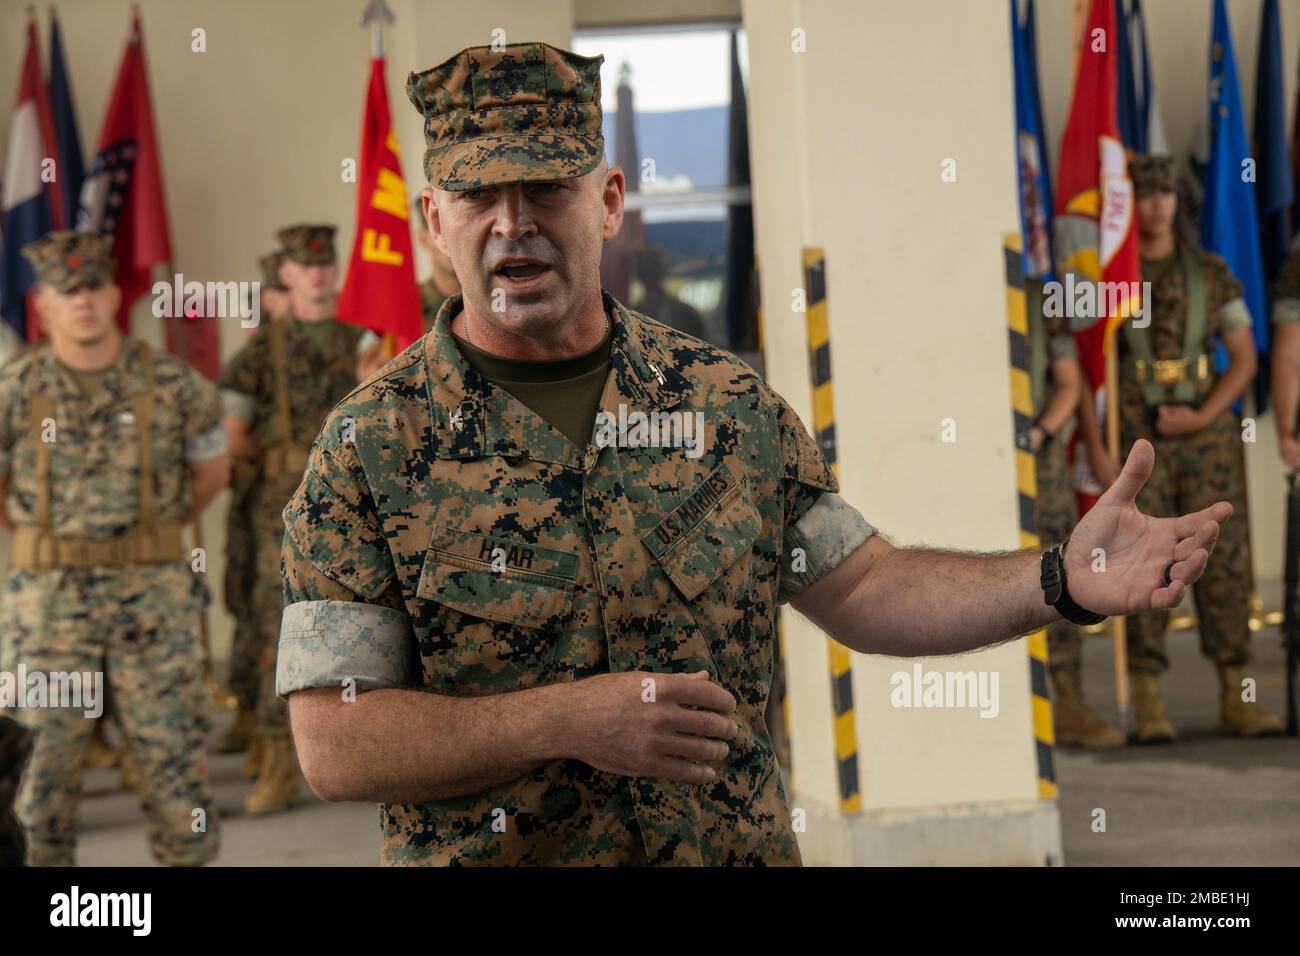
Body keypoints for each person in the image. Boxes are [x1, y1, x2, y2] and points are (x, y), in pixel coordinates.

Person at [276, 43, 1232, 865]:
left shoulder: (722, 403)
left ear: (608, 201)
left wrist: (1062, 576)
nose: (513, 222)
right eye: (479, 193)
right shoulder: (369, 447)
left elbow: (868, 587)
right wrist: (565, 719)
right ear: (435, 222)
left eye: (547, 188)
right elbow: (335, 741)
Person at [0, 231, 227, 865]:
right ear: (43, 301)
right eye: (66, 290)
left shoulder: (173, 384)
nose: (83, 301)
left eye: (94, 286)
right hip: (48, 611)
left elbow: (211, 474)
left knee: (174, 761)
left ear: (114, 293)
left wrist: (153, 533)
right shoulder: (14, 389)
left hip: (152, 600)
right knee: (41, 774)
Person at [1084, 155, 1283, 742]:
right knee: (1139, 558)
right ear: (1130, 204)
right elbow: (1093, 371)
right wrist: (1098, 448)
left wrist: (1202, 414)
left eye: (1167, 195)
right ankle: (1146, 700)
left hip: (1208, 443)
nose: (1157, 206)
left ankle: (1237, 691)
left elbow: (1244, 357)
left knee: (1221, 560)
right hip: (1137, 444)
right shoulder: (1110, 283)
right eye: (1145, 195)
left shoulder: (1210, 271)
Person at [219, 224, 364, 814]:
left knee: (355, 620)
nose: (319, 275)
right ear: (287, 274)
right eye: (306, 267)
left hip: (353, 505)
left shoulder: (366, 338)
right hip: (278, 508)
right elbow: (234, 437)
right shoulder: (263, 350)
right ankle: (274, 754)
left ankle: (363, 748)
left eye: (326, 265)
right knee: (273, 622)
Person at [1024, 281, 1122, 748]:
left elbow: (1069, 381)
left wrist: (1039, 432)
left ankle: (1067, 702)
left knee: (1056, 577)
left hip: (1037, 467)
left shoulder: (1035, 297)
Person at [217, 250, 290, 767]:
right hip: (259, 496)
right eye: (279, 293)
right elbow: (232, 437)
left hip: (285, 492)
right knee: (251, 602)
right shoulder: (259, 354)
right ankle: (251, 712)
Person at [355, 197, 462, 380]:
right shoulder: (398, 309)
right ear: (423, 238)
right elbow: (371, 374)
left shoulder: (495, 302)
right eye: (440, 231)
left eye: (458, 231)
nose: (450, 242)